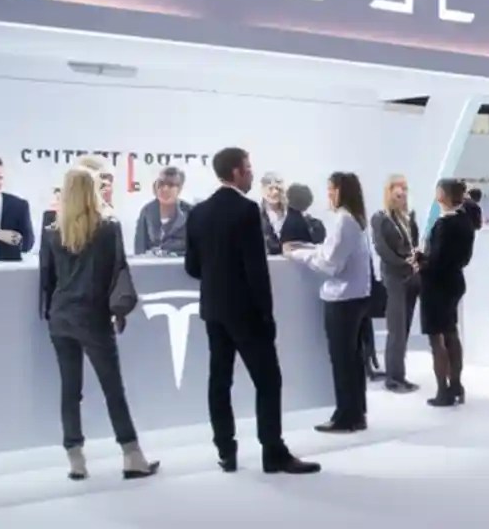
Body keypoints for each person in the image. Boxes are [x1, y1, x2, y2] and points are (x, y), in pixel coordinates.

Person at [184, 147, 320, 475]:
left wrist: (217, 277)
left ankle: (226, 451)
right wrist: (267, 314)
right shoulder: (245, 210)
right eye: (247, 169)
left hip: (213, 310)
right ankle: (272, 451)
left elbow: (192, 266)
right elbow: (255, 269)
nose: (251, 174)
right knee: (268, 380)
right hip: (245, 311)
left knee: (219, 381)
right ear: (235, 172)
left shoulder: (198, 212)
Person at [40, 168, 157, 481]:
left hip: (61, 316)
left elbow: (47, 279)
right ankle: (132, 455)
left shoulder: (53, 230)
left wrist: (50, 312)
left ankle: (75, 459)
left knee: (70, 390)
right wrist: (118, 310)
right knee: (112, 388)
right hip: (92, 316)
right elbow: (116, 271)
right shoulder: (107, 228)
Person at [286, 172, 374, 433]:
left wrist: (298, 254)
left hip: (342, 298)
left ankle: (346, 415)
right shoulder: (353, 219)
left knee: (343, 359)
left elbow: (329, 264)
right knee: (353, 359)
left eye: (330, 189)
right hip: (355, 297)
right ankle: (356, 413)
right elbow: (329, 252)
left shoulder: (344, 221)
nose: (327, 195)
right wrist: (309, 249)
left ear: (339, 191)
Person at [416, 179, 476, 407]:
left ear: (441, 194)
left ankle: (443, 391)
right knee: (451, 333)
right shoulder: (465, 222)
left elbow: (437, 260)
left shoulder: (445, 224)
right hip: (454, 281)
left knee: (436, 338)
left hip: (437, 284)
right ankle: (456, 385)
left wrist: (421, 260)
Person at [371, 174, 422, 393]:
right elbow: (382, 250)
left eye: (404, 188)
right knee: (396, 329)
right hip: (394, 277)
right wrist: (403, 263)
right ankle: (393, 378)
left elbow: (415, 243)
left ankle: (400, 374)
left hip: (411, 276)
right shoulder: (381, 218)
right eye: (397, 188)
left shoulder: (409, 217)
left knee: (405, 328)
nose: (401, 192)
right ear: (389, 191)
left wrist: (415, 261)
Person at [133, 166, 191, 256]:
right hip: (151, 267)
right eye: (161, 184)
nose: (165, 189)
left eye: (171, 185)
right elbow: (139, 248)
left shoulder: (190, 212)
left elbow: (197, 250)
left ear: (179, 189)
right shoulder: (147, 211)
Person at [258, 172, 288, 255]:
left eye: (278, 189)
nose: (275, 192)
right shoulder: (255, 216)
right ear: (262, 190)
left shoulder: (291, 213)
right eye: (270, 189)